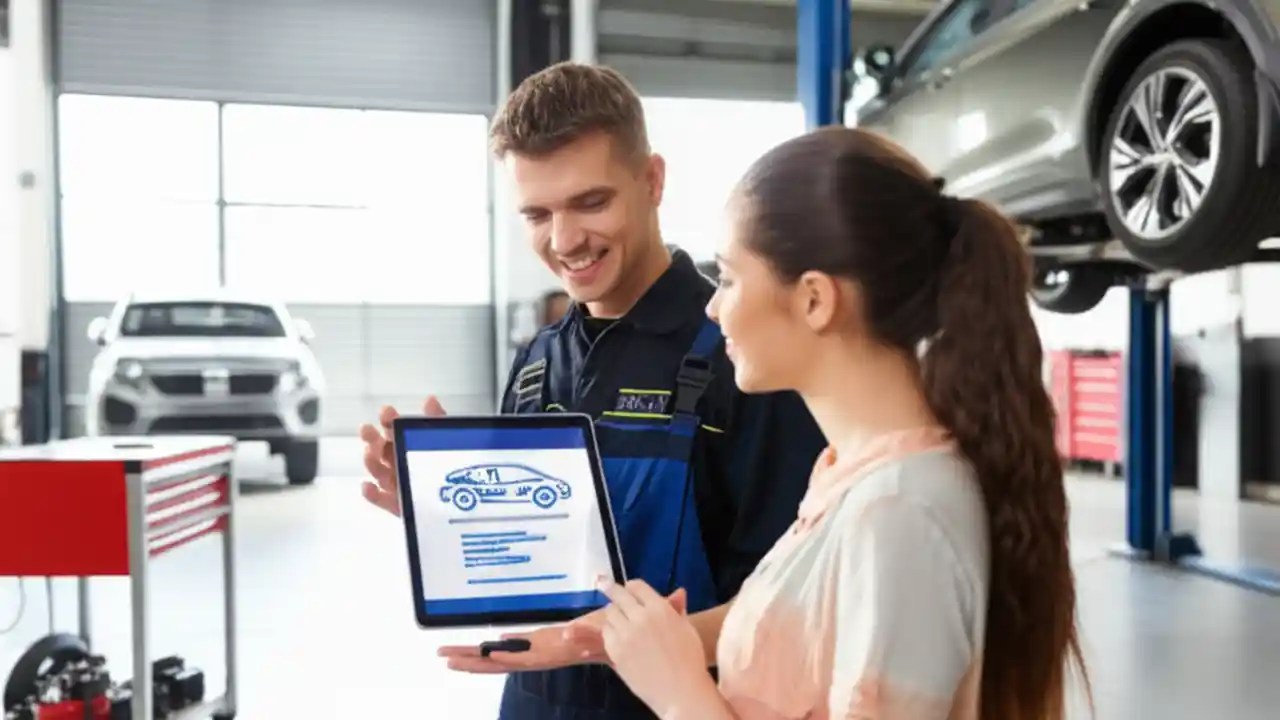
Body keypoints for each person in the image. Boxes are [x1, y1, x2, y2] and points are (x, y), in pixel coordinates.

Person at [357, 62, 826, 719]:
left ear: (653, 180)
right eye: (537, 213)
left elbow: (796, 599)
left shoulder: (741, 353)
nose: (565, 240)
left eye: (590, 202)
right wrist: (450, 520)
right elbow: (534, 563)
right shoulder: (536, 362)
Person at [591, 127, 1090, 720]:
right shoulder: (853, 476)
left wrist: (678, 693)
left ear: (813, 300)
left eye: (727, 278)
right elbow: (801, 623)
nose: (714, 305)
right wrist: (625, 640)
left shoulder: (902, 510)